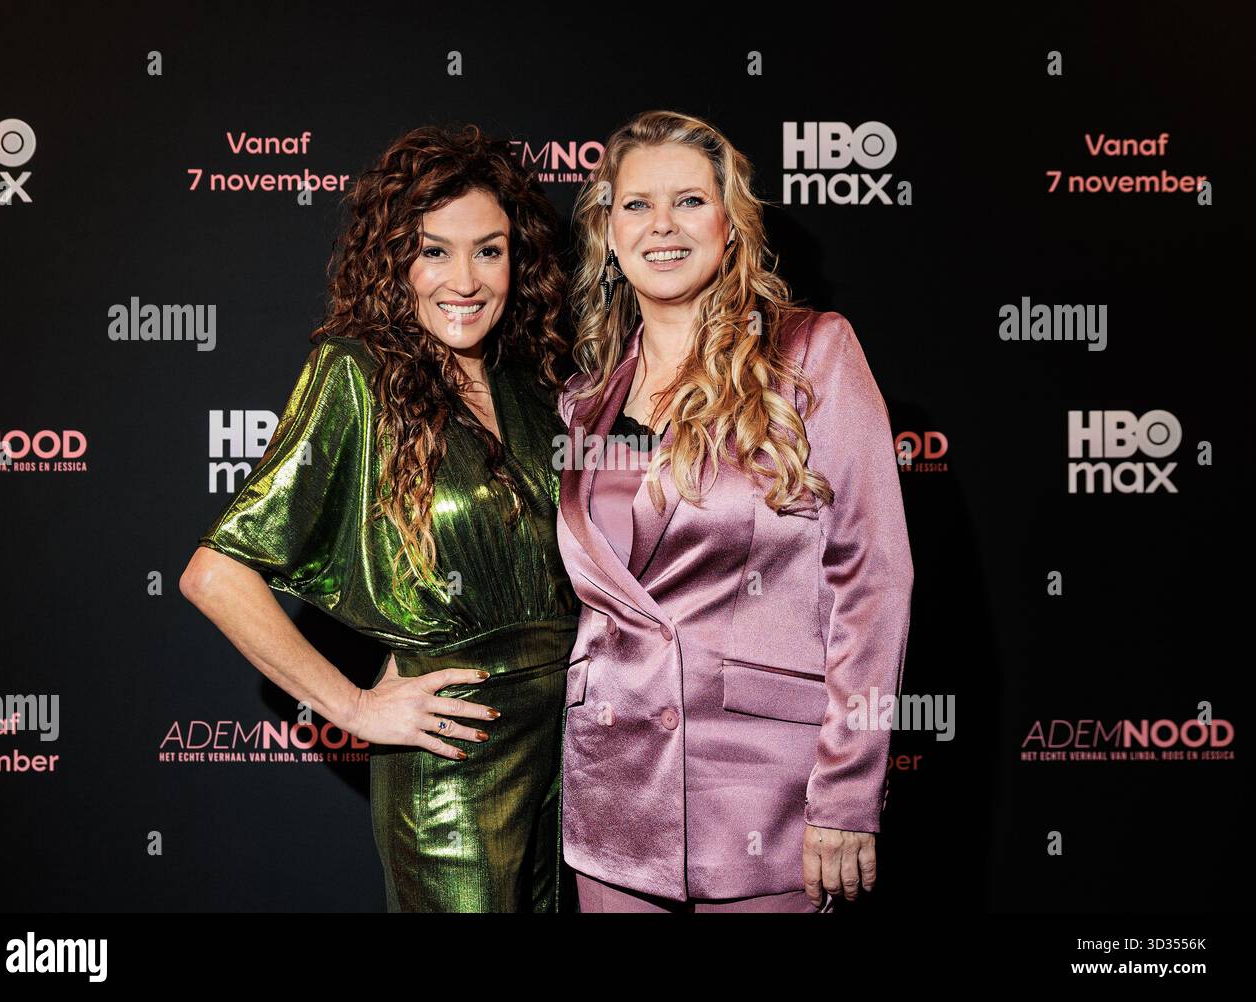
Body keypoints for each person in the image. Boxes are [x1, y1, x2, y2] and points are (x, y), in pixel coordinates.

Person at [180, 123, 579, 912]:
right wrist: (356, 708)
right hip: (456, 768)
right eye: (434, 250)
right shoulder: (357, 374)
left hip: (572, 754)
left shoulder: (534, 384)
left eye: (489, 250)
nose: (464, 279)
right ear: (394, 260)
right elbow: (214, 574)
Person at [554, 110, 914, 912]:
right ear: (608, 233)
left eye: (689, 201)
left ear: (729, 222)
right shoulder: (584, 404)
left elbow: (873, 578)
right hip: (614, 796)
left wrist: (848, 794)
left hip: (769, 793)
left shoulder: (811, 354)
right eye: (637, 205)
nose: (662, 226)